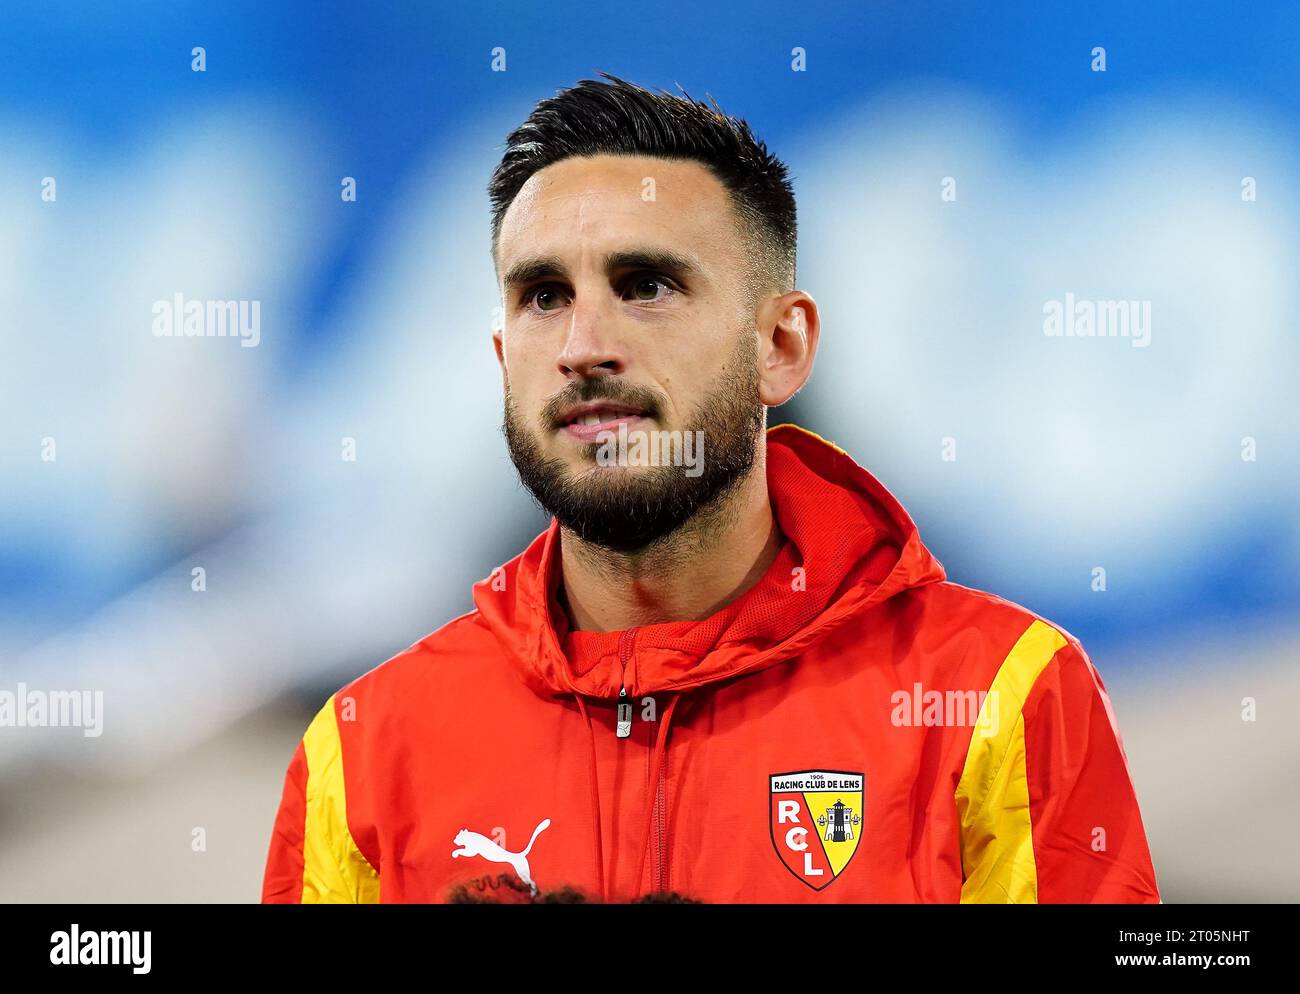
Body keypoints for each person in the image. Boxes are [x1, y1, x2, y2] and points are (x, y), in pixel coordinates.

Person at [261, 73, 1160, 904]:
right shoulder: (363, 750)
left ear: (782, 348)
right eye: (543, 296)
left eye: (646, 285)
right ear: (503, 358)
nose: (583, 346)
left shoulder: (1001, 696)